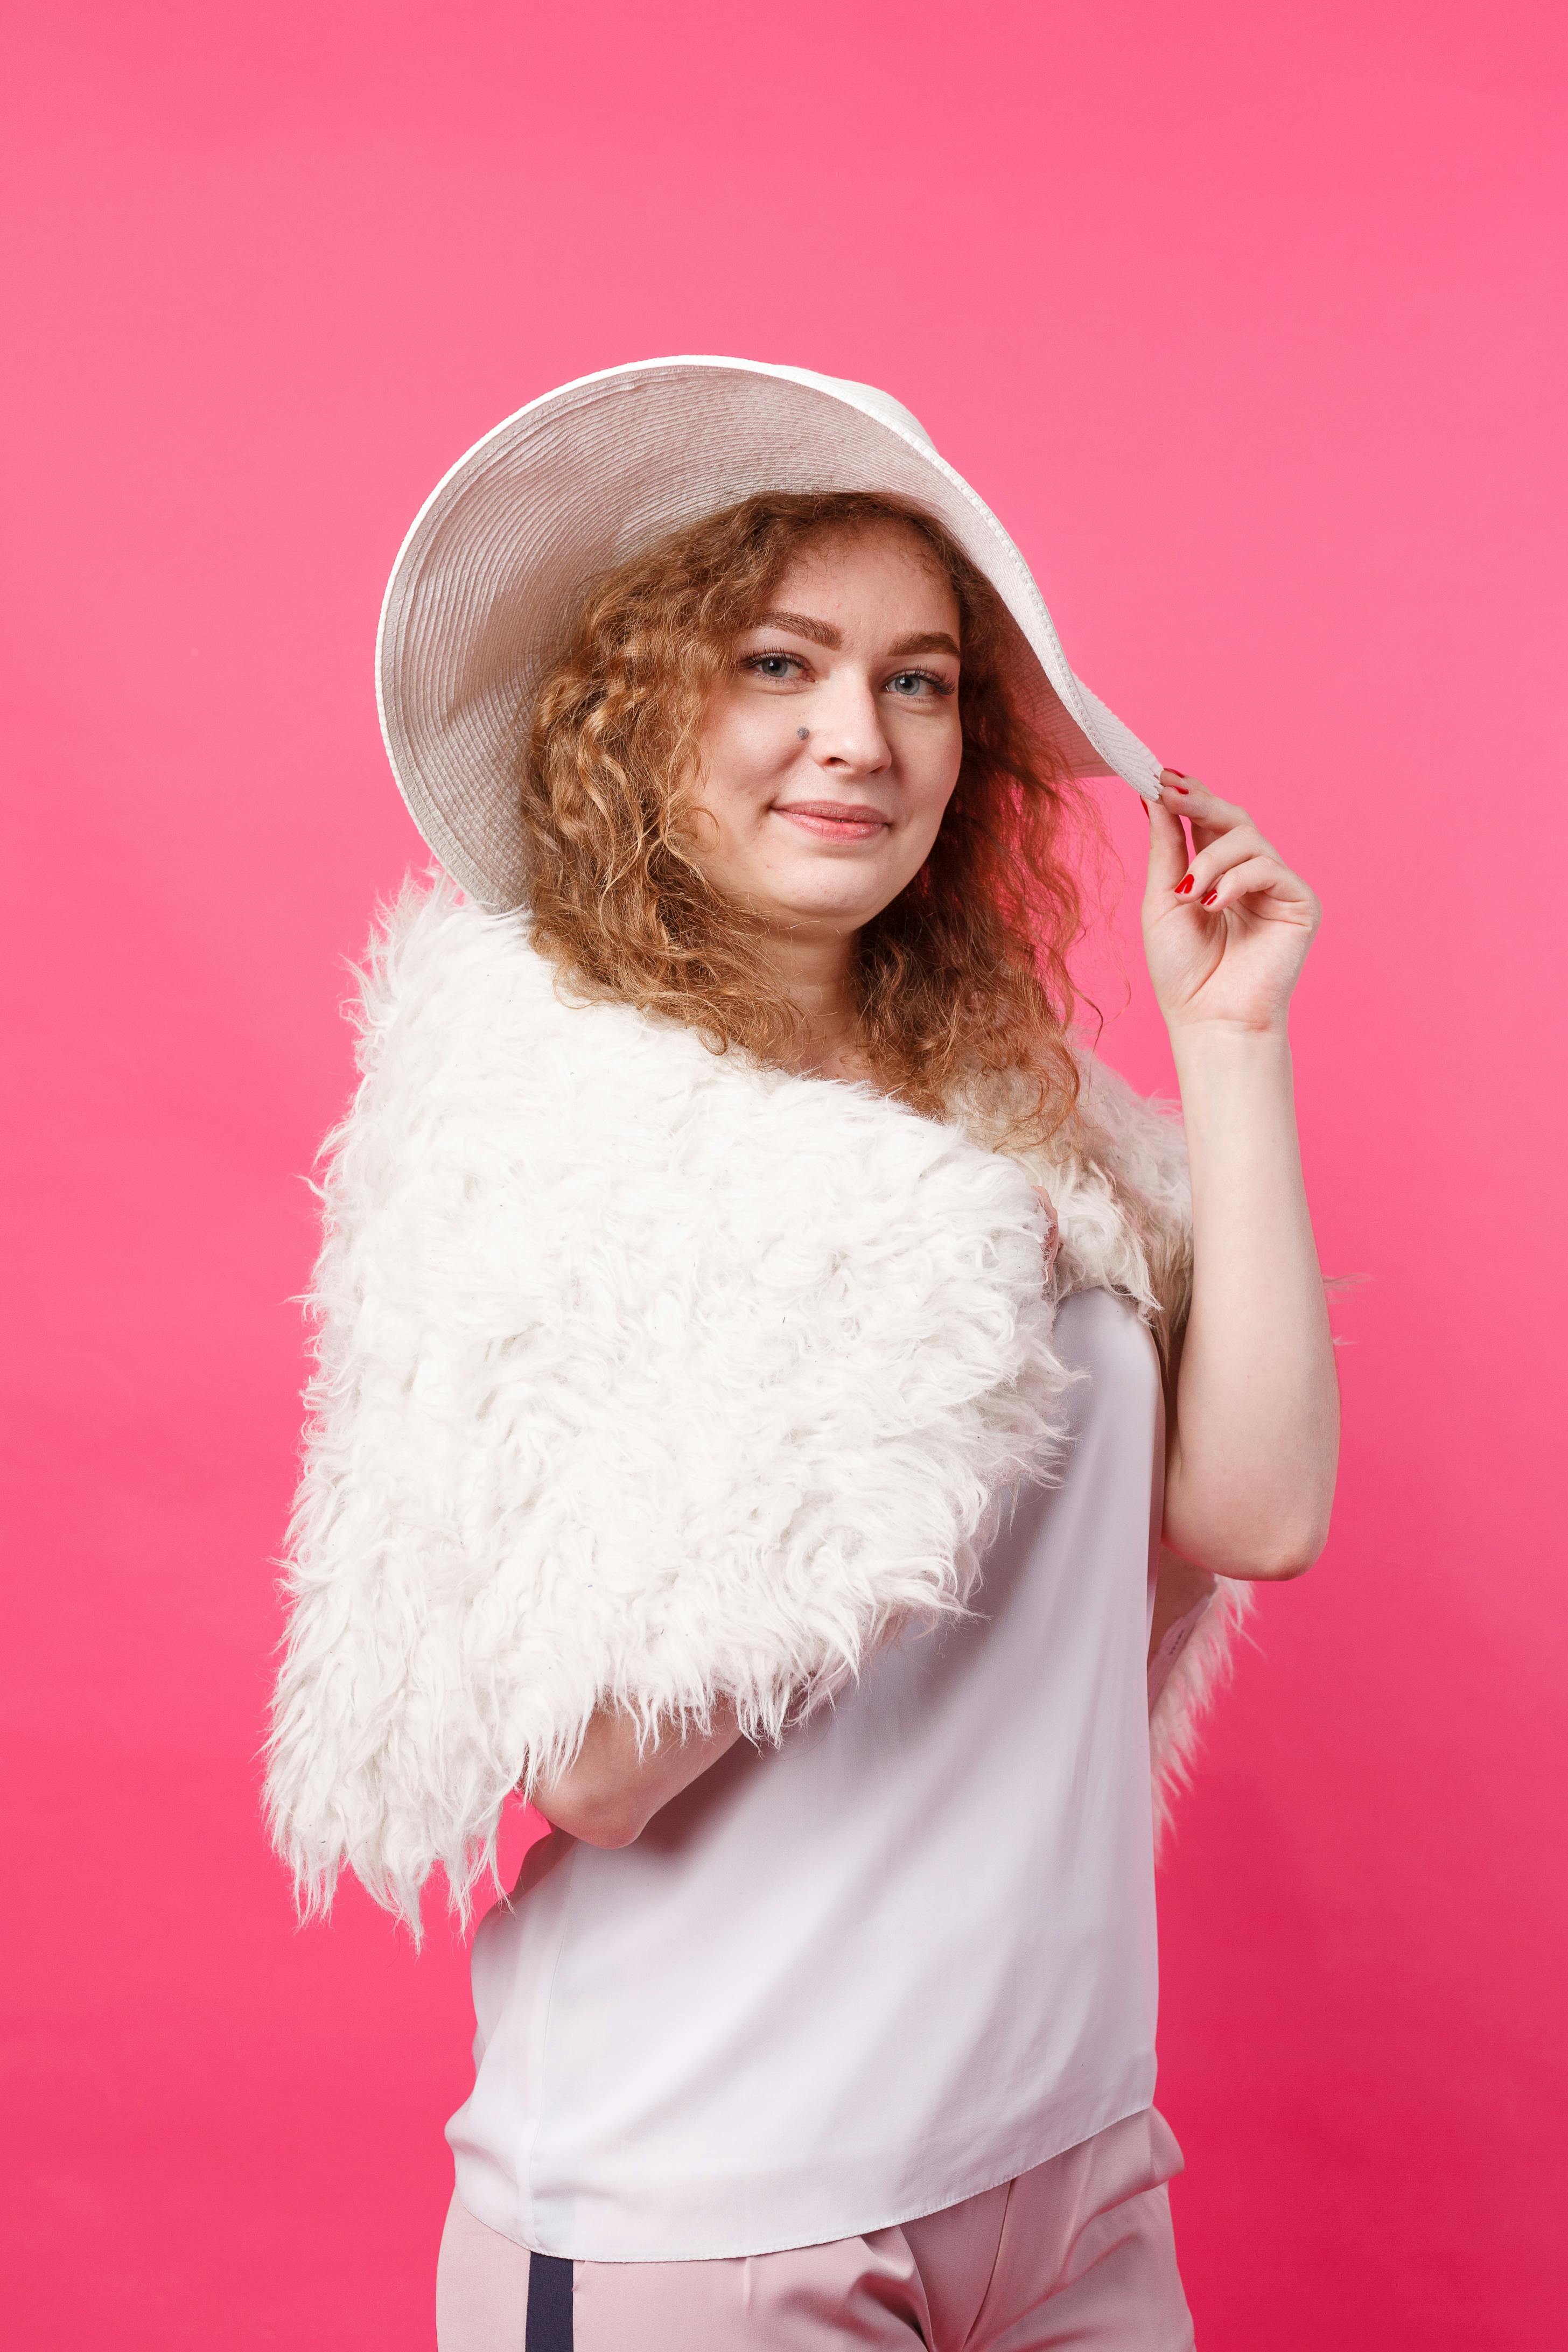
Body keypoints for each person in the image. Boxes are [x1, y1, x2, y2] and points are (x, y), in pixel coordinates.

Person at [266, 361, 1339, 2350]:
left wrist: (1232, 1050)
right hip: (704, 2208)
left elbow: (1256, 1517)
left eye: (921, 681)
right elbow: (597, 1767)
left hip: (1075, 2181)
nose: (858, 737)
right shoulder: (544, 1122)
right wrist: (922, 1328)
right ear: (644, 703)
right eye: (782, 662)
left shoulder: (1031, 1117)